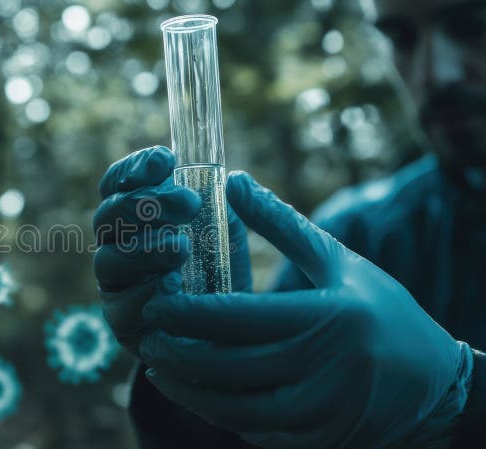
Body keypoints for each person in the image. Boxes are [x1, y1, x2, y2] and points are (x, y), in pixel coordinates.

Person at [93, 0, 486, 447]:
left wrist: (471, 399)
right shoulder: (358, 235)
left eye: (472, 26)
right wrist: (195, 388)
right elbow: (254, 424)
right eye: (401, 37)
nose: (436, 73)